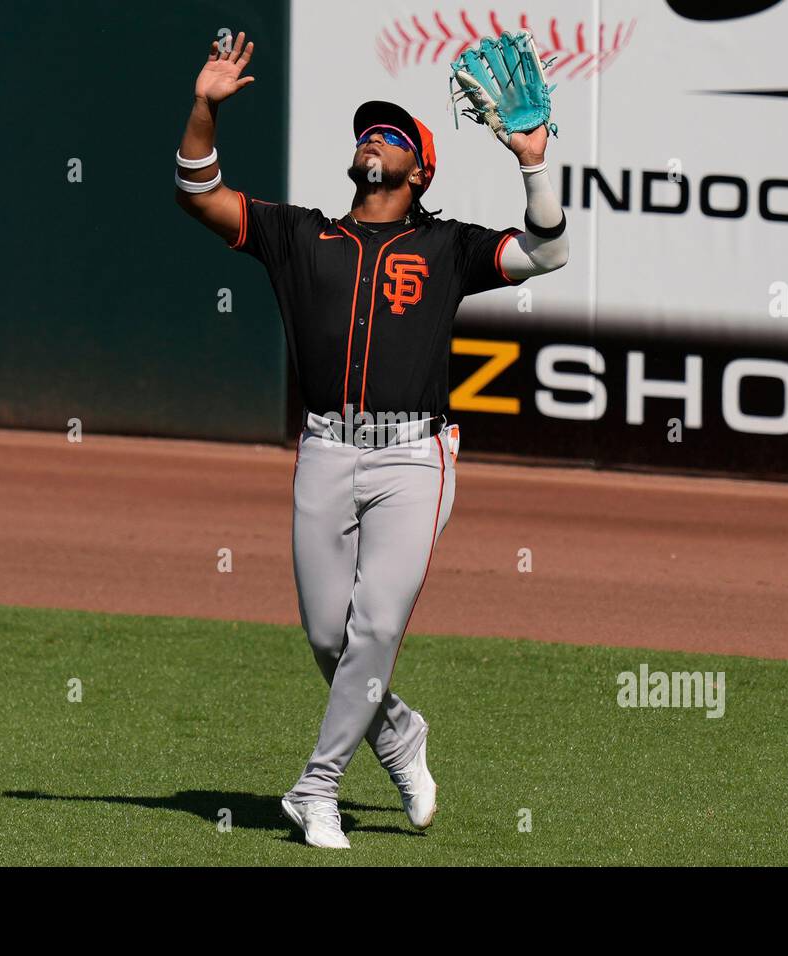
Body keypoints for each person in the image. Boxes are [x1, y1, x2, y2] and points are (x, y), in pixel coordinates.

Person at [175, 32, 569, 849]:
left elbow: (548, 250)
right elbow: (198, 191)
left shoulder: (448, 245)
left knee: (376, 628)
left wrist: (533, 161)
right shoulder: (300, 236)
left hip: (413, 457)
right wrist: (204, 107)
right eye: (367, 132)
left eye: (392, 135)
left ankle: (316, 787)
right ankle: (397, 735)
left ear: (421, 169)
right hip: (323, 449)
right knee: (329, 637)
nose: (374, 139)